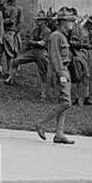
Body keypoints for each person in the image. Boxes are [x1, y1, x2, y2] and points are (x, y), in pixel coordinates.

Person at [34, 11, 77, 144]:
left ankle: (59, 133)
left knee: (63, 103)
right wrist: (60, 75)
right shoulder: (56, 36)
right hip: (60, 71)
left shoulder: (62, 36)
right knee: (65, 102)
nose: (72, 23)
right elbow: (54, 56)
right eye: (70, 21)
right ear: (63, 22)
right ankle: (41, 123)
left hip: (64, 70)